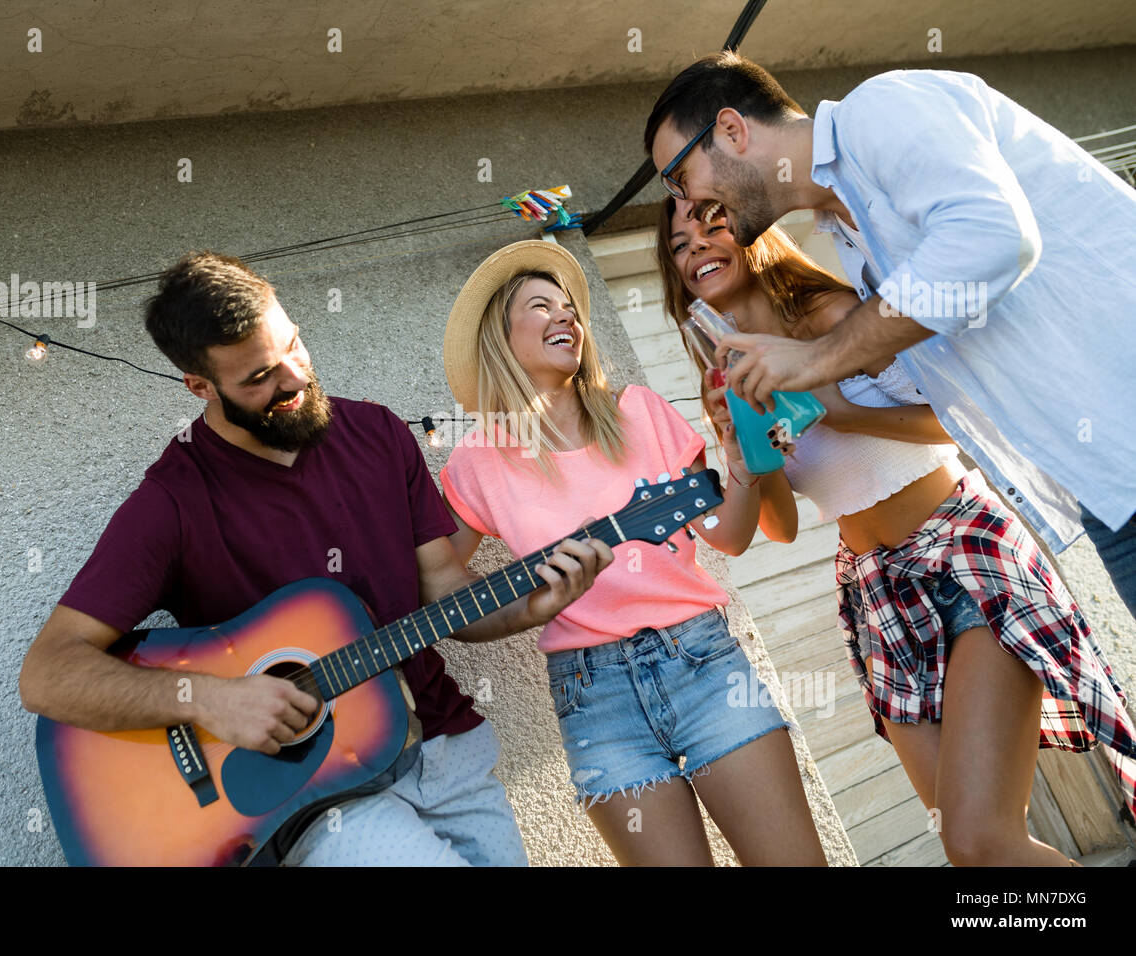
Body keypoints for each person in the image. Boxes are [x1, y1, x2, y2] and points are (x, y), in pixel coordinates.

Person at [18, 250, 614, 867]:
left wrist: (536, 604)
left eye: (294, 347)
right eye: (259, 379)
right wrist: (209, 700)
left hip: (442, 747)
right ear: (200, 386)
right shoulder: (172, 503)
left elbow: (443, 589)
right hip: (318, 796)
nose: (295, 378)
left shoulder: (380, 435)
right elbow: (46, 674)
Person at [656, 196, 1136, 865]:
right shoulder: (730, 377)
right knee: (968, 846)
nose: (698, 247)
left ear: (751, 232)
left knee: (982, 839)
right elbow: (782, 524)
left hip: (960, 555)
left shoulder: (829, 316)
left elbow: (962, 420)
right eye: (679, 244)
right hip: (875, 591)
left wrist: (840, 408)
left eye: (712, 226)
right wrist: (740, 445)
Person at [642, 51, 1136, 623]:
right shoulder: (855, 239)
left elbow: (994, 237)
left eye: (680, 175)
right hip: (1104, 481)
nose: (685, 204)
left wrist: (818, 361)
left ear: (730, 131)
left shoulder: (880, 110)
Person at [437, 239, 826, 866]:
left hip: (702, 662)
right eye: (542, 307)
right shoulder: (475, 462)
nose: (568, 316)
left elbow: (727, 535)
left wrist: (740, 464)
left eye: (571, 308)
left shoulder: (639, 410)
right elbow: (437, 590)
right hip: (592, 694)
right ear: (500, 339)